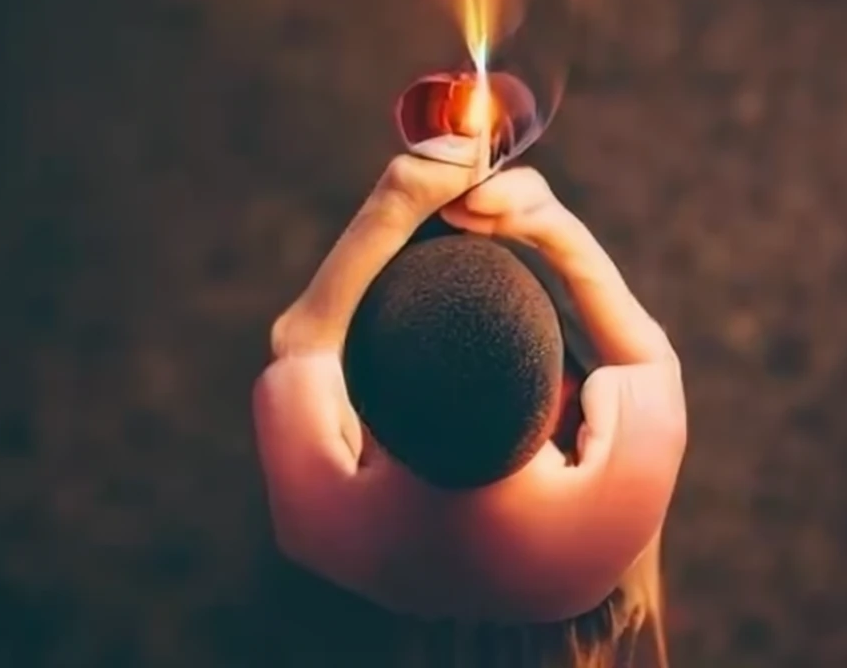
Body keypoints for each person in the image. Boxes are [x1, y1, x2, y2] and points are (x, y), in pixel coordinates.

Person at [254, 154, 686, 634]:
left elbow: (298, 343)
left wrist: (396, 203)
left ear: (365, 421)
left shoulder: (320, 528)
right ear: (557, 407)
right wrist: (550, 224)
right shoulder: (607, 530)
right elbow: (650, 362)